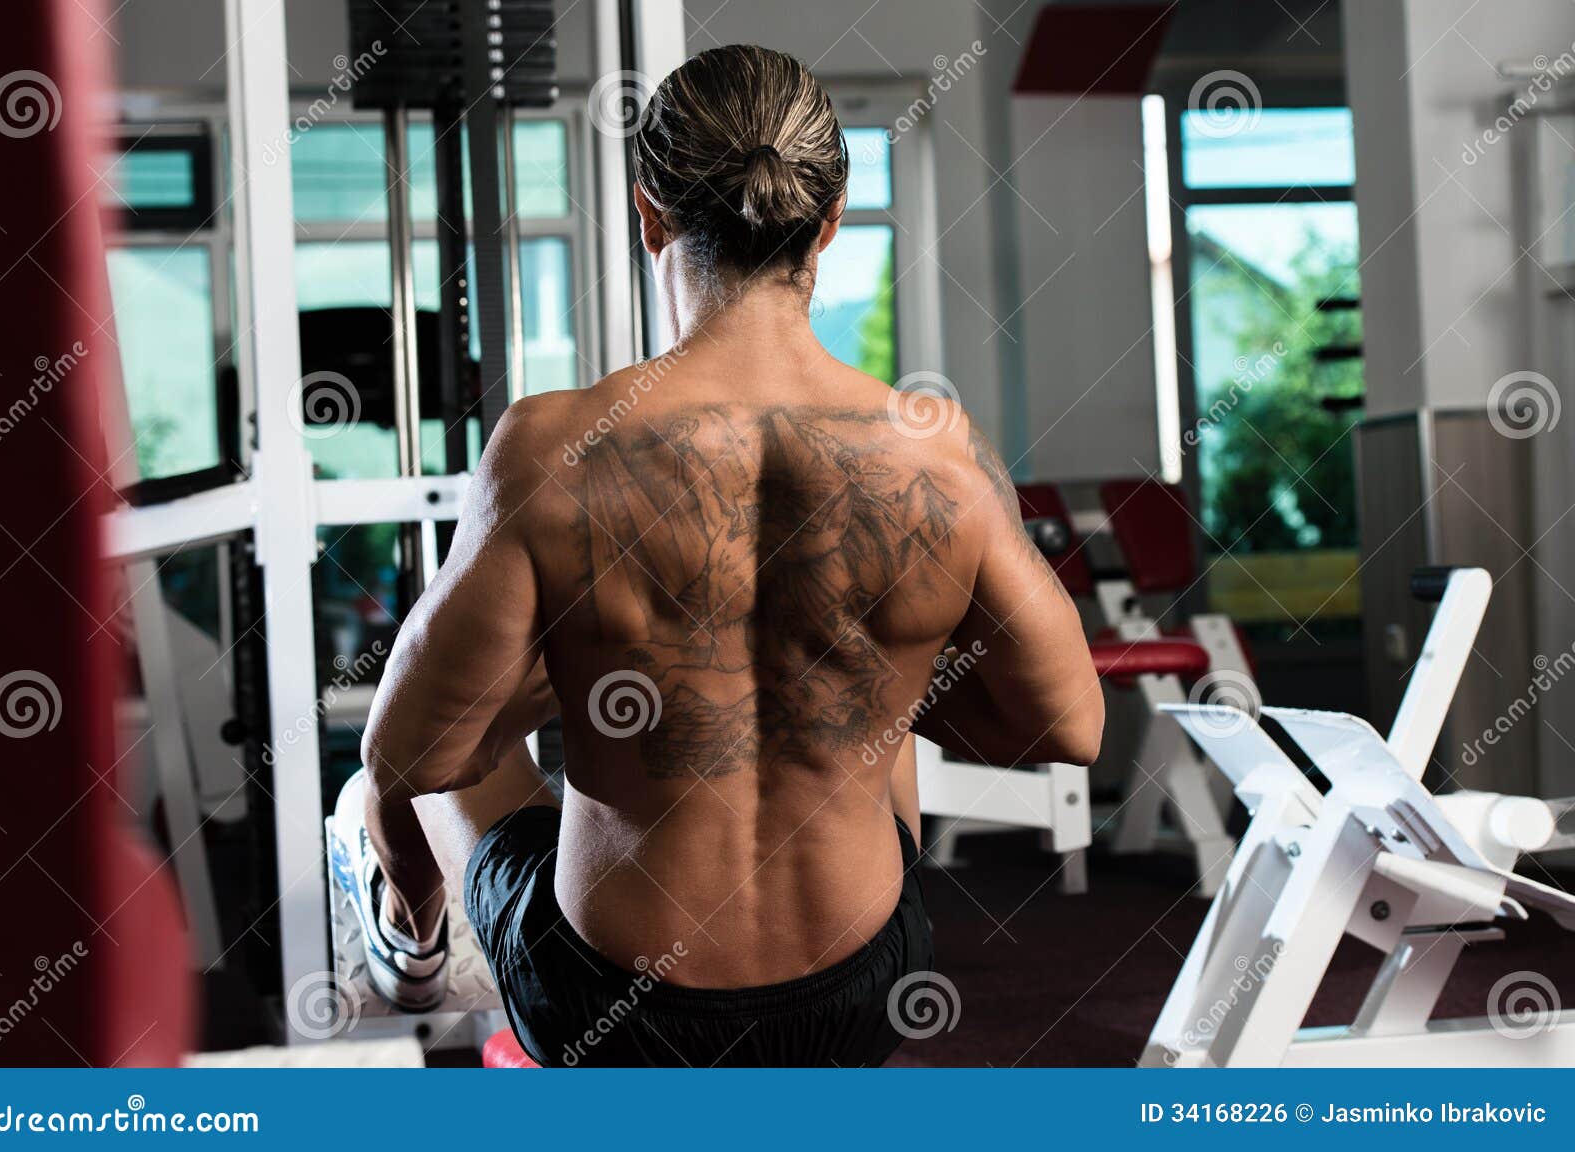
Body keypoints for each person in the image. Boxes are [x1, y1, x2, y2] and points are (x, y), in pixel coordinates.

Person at [336, 43, 1103, 1066]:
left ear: (649, 214)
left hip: (612, 1008)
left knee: (392, 788)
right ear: (826, 224)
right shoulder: (934, 447)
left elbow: (407, 756)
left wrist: (580, 675)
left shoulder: (553, 447)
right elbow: (1069, 727)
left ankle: (411, 940)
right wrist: (856, 677)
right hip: (860, 987)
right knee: (881, 730)